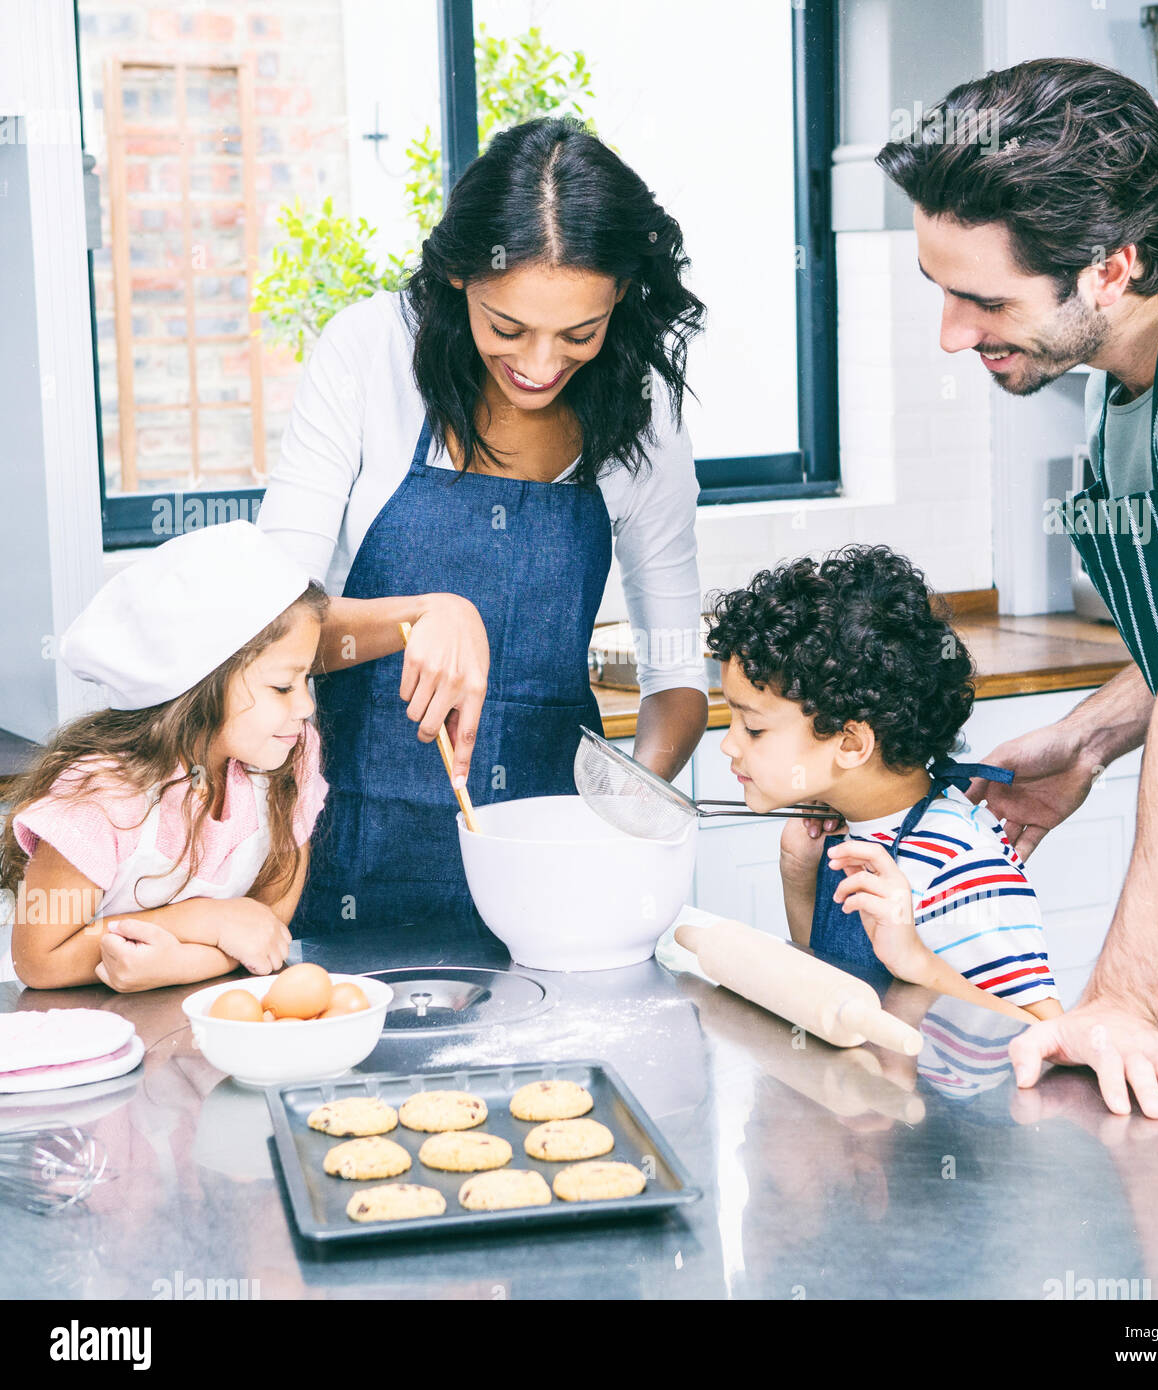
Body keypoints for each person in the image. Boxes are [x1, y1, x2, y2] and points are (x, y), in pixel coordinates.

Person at [874, 56, 1158, 1116]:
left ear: (1108, 268)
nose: (952, 333)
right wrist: (1092, 738)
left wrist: (1120, 997)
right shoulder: (1119, 384)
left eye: (982, 299)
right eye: (941, 291)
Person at [257, 117, 710, 941]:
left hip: (551, 875)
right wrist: (423, 616)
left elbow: (677, 677)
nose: (540, 364)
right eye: (508, 328)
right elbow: (266, 635)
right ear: (461, 277)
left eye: (580, 334)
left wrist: (620, 815)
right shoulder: (370, 355)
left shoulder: (643, 416)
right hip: (349, 852)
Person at [706, 544, 1063, 1023]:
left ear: (851, 744)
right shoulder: (848, 829)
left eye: (752, 727)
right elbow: (831, 986)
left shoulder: (959, 863)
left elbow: (1045, 1032)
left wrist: (914, 959)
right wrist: (797, 877)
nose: (728, 745)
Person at [0, 522, 329, 991]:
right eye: (282, 686)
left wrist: (180, 964)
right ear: (201, 686)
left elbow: (267, 928)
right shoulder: (103, 794)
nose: (306, 707)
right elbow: (37, 960)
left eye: (307, 681)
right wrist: (200, 920)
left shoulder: (289, 759)